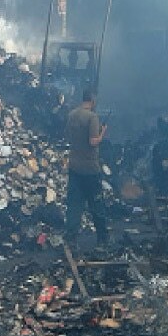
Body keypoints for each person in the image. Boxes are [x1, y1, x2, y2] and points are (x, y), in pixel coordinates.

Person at [64, 89, 109, 245]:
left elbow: (68, 136)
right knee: (96, 203)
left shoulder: (72, 115)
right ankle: (103, 239)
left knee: (74, 204)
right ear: (93, 100)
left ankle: (71, 238)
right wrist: (102, 133)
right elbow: (93, 141)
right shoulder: (92, 117)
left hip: (74, 166)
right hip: (90, 169)